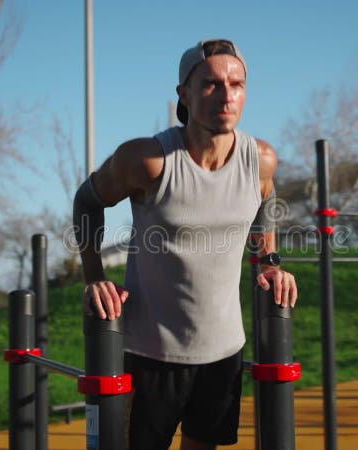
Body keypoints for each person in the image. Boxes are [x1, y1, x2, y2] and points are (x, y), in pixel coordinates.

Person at [73, 39, 298, 450]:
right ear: (184, 94)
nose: (226, 95)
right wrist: (94, 277)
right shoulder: (148, 160)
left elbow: (265, 200)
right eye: (211, 83)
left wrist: (268, 262)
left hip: (224, 352)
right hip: (150, 354)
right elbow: (87, 200)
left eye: (237, 84)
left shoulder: (260, 158)